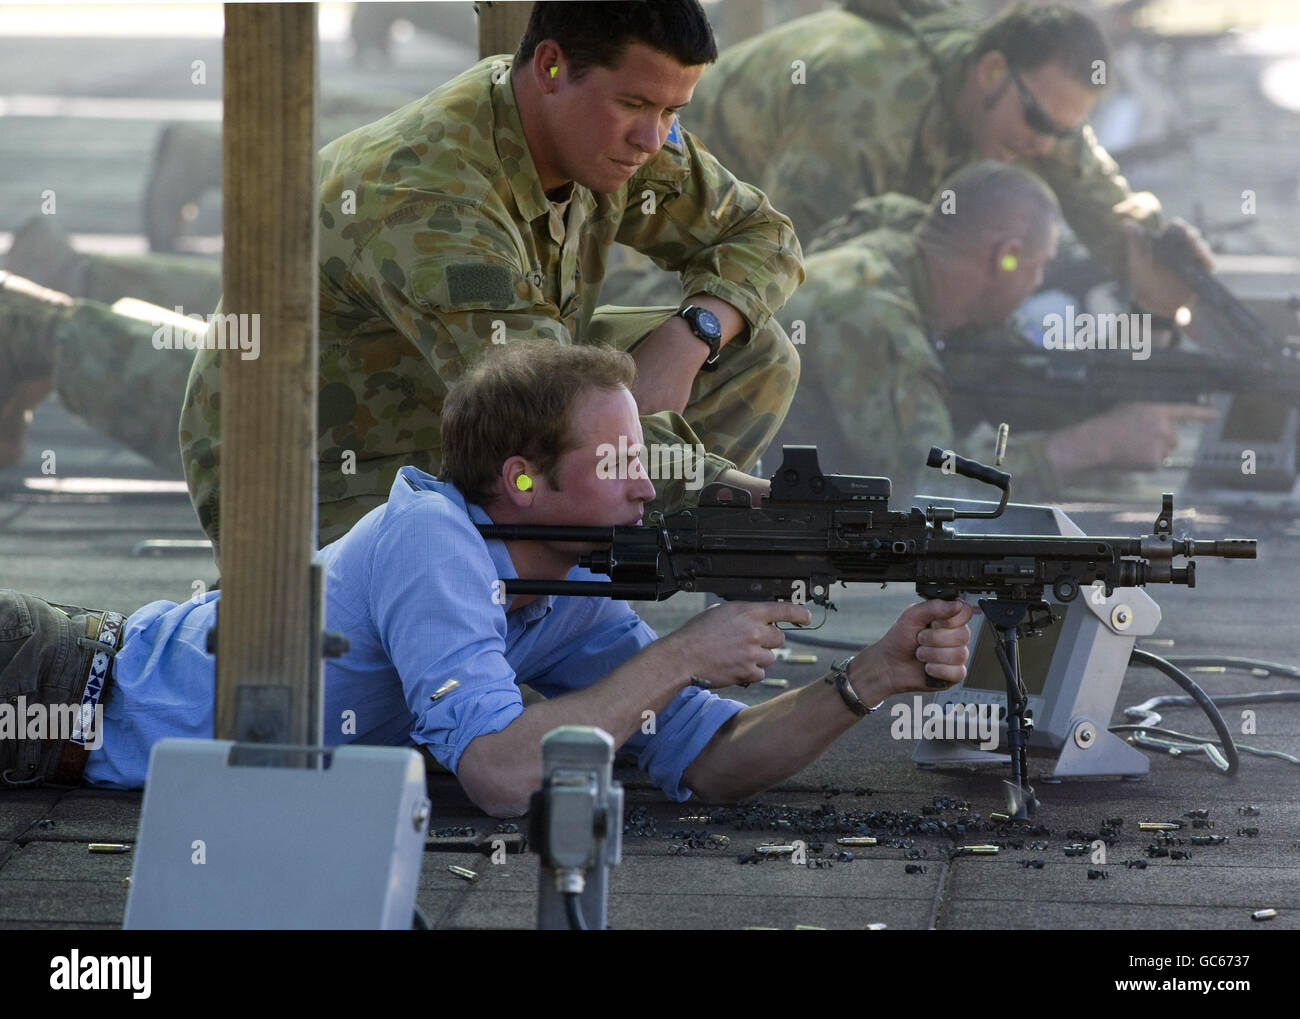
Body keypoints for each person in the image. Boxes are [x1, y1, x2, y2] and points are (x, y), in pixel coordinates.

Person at [0, 342, 972, 816]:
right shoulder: (435, 541)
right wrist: (684, 649)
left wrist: (868, 681)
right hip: (45, 683)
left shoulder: (562, 582)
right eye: (619, 459)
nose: (647, 482)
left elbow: (706, 760)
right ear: (520, 477)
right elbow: (503, 774)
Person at [179, 0, 804, 557]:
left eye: (672, 109)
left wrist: (693, 334)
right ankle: (529, 605)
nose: (652, 137)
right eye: (635, 104)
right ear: (552, 66)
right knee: (560, 451)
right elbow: (541, 411)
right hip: (315, 478)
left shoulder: (594, 125)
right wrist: (728, 491)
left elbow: (764, 235)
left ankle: (589, 574)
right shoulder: (435, 199)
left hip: (468, 409)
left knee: (756, 348)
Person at [668, 0, 1207, 318]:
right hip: (663, 230)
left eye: (1064, 131)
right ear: (991, 71)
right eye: (1041, 125)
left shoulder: (1027, 102)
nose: (1046, 146)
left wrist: (1156, 253)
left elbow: (1103, 200)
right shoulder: (866, 108)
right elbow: (803, 283)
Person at [770, 162, 1216, 500]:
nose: (1039, 282)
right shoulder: (868, 313)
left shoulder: (912, 251)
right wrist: (1091, 446)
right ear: (1006, 255)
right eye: (1038, 266)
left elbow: (1031, 392)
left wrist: (1156, 310)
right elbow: (927, 490)